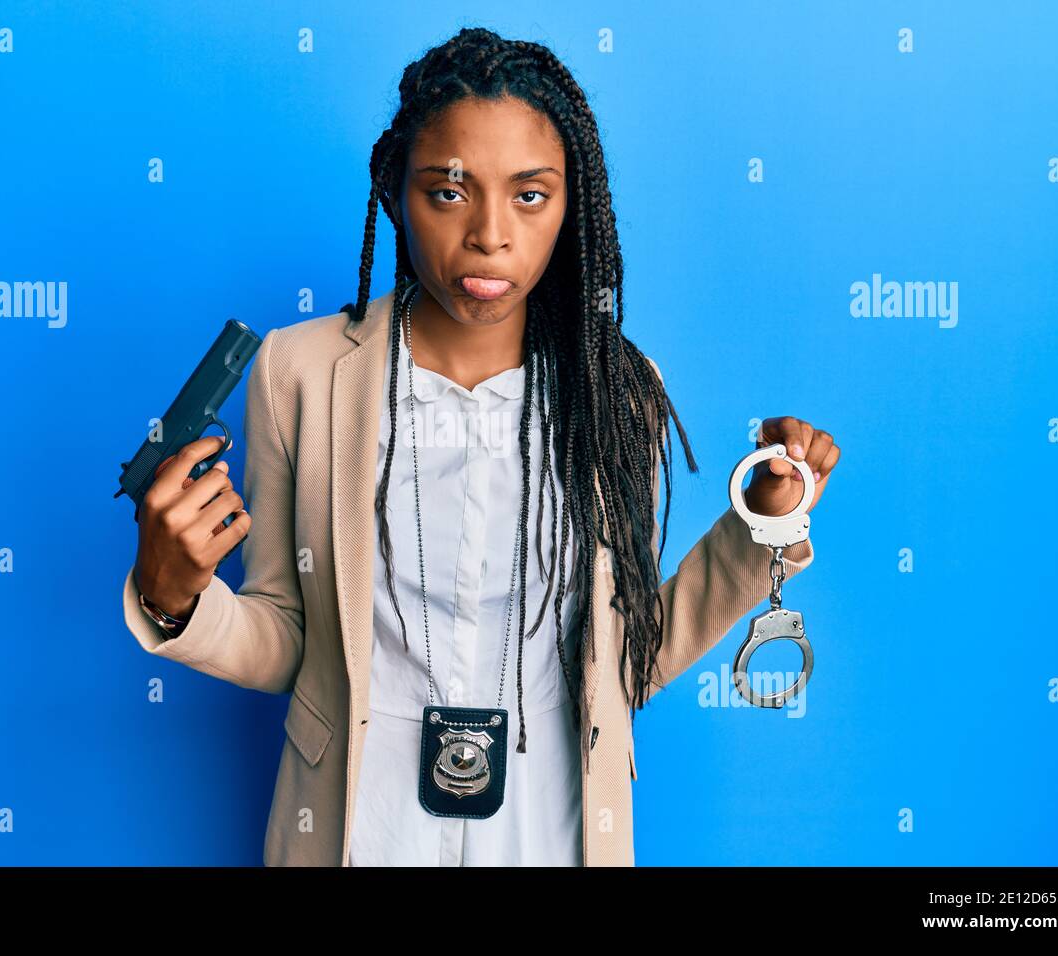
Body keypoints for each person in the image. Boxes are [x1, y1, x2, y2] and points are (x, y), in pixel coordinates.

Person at [121, 26, 841, 866]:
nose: (490, 235)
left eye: (530, 196)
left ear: (573, 204)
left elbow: (627, 659)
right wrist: (173, 598)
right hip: (361, 828)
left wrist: (759, 526)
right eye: (449, 192)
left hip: (550, 832)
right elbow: (289, 637)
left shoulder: (614, 389)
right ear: (395, 193)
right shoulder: (299, 373)